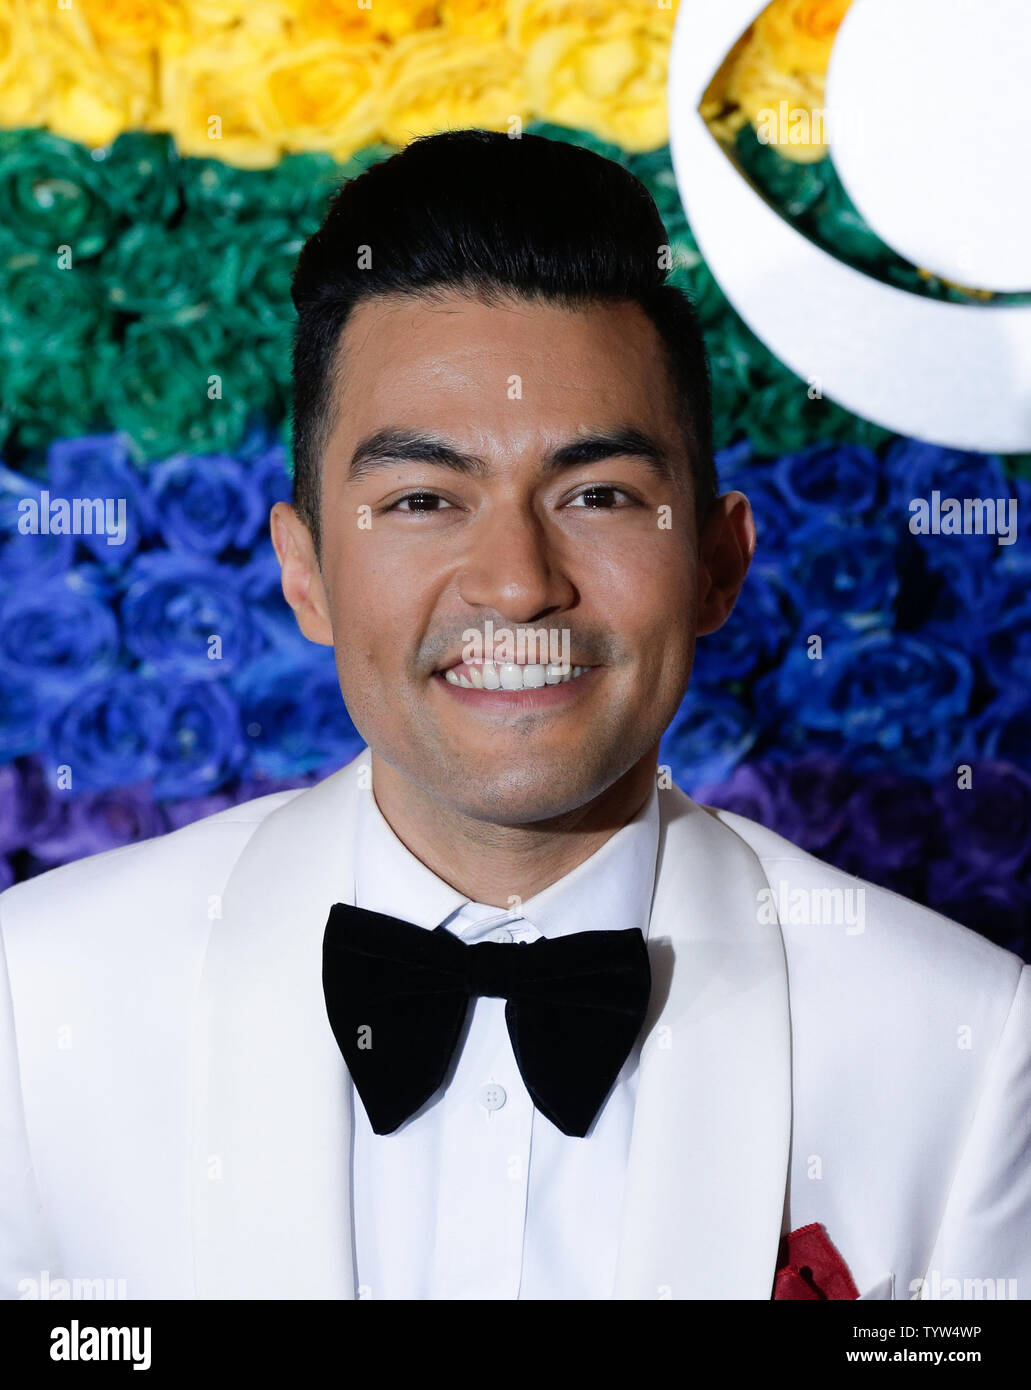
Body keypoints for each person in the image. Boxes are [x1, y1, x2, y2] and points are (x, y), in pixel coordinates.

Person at [1, 130, 1028, 1302]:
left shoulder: (960, 1044)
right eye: (423, 497)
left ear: (717, 562)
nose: (515, 580)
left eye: (596, 494)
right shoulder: (35, 1007)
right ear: (304, 572)